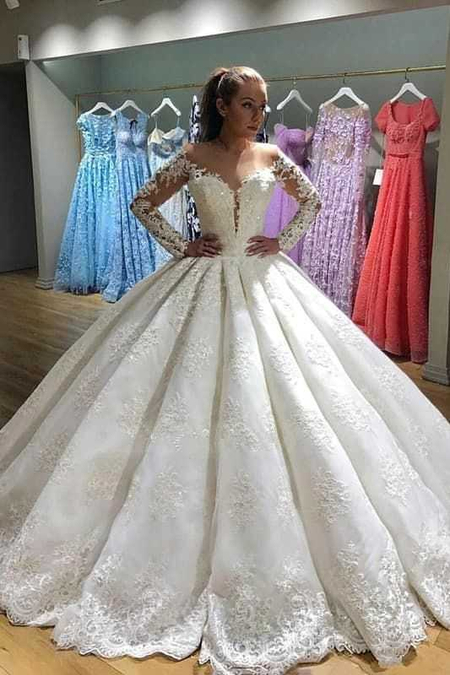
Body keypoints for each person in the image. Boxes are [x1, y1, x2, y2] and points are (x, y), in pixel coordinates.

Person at [0, 65, 450, 675]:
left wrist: (282, 239)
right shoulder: (193, 157)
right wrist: (181, 244)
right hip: (202, 278)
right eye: (248, 105)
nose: (258, 115)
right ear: (221, 105)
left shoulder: (270, 154)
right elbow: (142, 202)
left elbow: (313, 200)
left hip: (265, 281)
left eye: (262, 105)